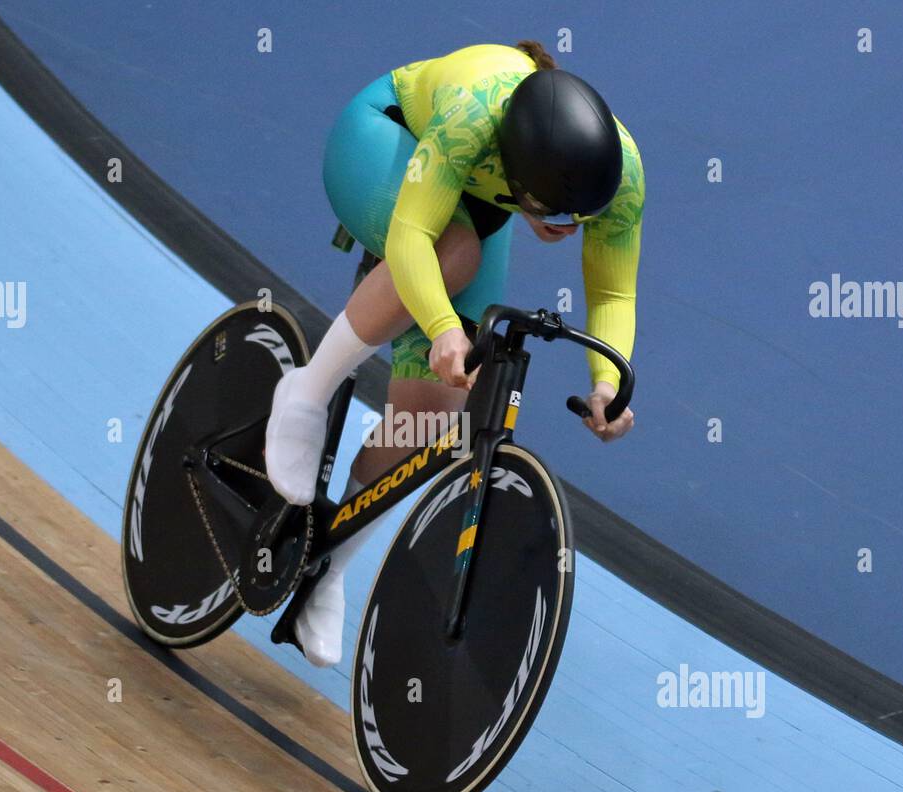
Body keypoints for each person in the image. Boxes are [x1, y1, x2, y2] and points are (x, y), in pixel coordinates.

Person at [265, 41, 644, 666]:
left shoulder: (619, 173)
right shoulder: (474, 111)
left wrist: (607, 382)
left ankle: (324, 570)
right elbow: (413, 233)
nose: (569, 231)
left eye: (583, 220)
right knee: (453, 255)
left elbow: (612, 289)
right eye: (556, 217)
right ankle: (305, 391)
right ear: (522, 178)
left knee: (434, 415)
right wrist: (442, 325)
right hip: (385, 144)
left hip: (474, 206)